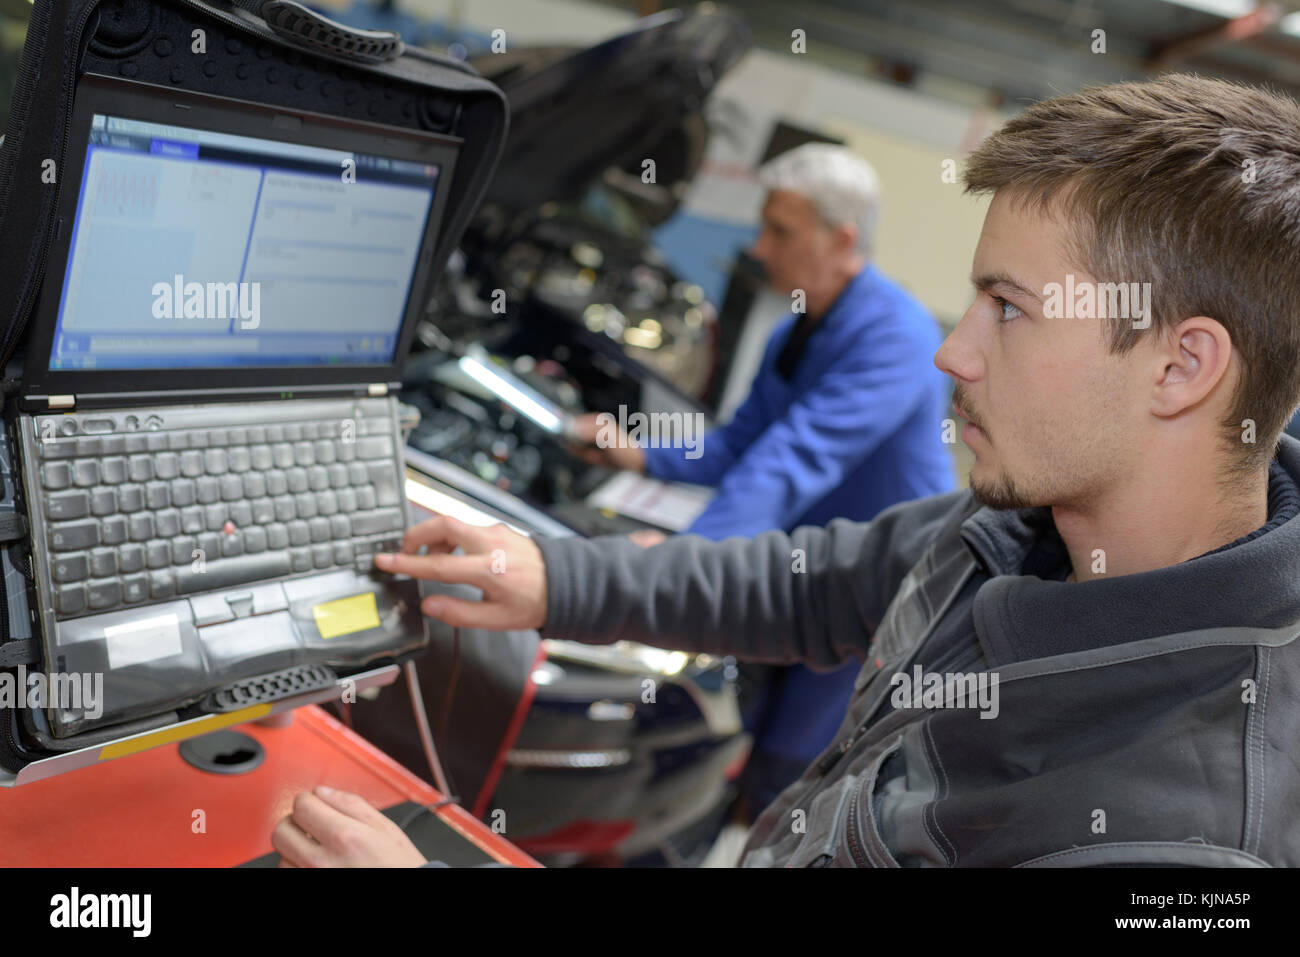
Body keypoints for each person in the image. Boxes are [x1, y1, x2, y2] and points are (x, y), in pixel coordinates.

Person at [274, 73, 1300, 867]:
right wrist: (554, 576)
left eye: (1010, 308)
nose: (956, 353)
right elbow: (797, 581)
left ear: (1180, 365)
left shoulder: (1179, 839)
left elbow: (787, 466)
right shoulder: (1010, 533)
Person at [570, 144, 956, 813]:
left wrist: (684, 561)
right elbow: (740, 446)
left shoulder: (895, 333)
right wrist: (643, 456)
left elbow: (793, 459)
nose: (758, 247)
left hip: (881, 590)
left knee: (789, 770)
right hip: (807, 564)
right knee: (735, 730)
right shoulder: (795, 332)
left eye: (781, 230)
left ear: (840, 239)